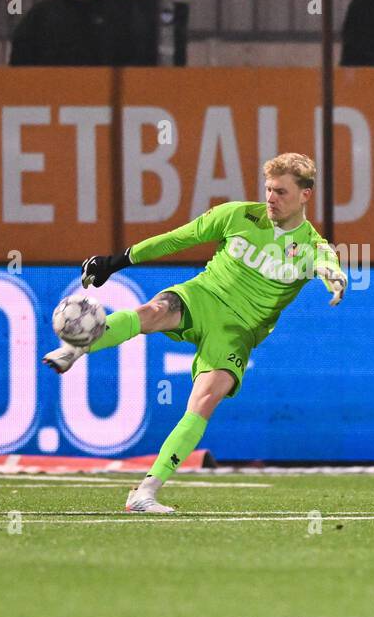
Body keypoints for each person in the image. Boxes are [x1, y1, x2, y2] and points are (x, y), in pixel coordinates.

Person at [43, 153, 348, 513]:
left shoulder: (312, 246)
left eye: (281, 191)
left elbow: (328, 262)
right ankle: (77, 347)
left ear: (305, 195)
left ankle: (144, 493)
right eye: (268, 189)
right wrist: (115, 261)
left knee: (204, 401)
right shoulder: (237, 215)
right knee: (153, 312)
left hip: (238, 330)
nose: (271, 198)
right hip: (203, 296)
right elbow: (176, 239)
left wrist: (334, 276)